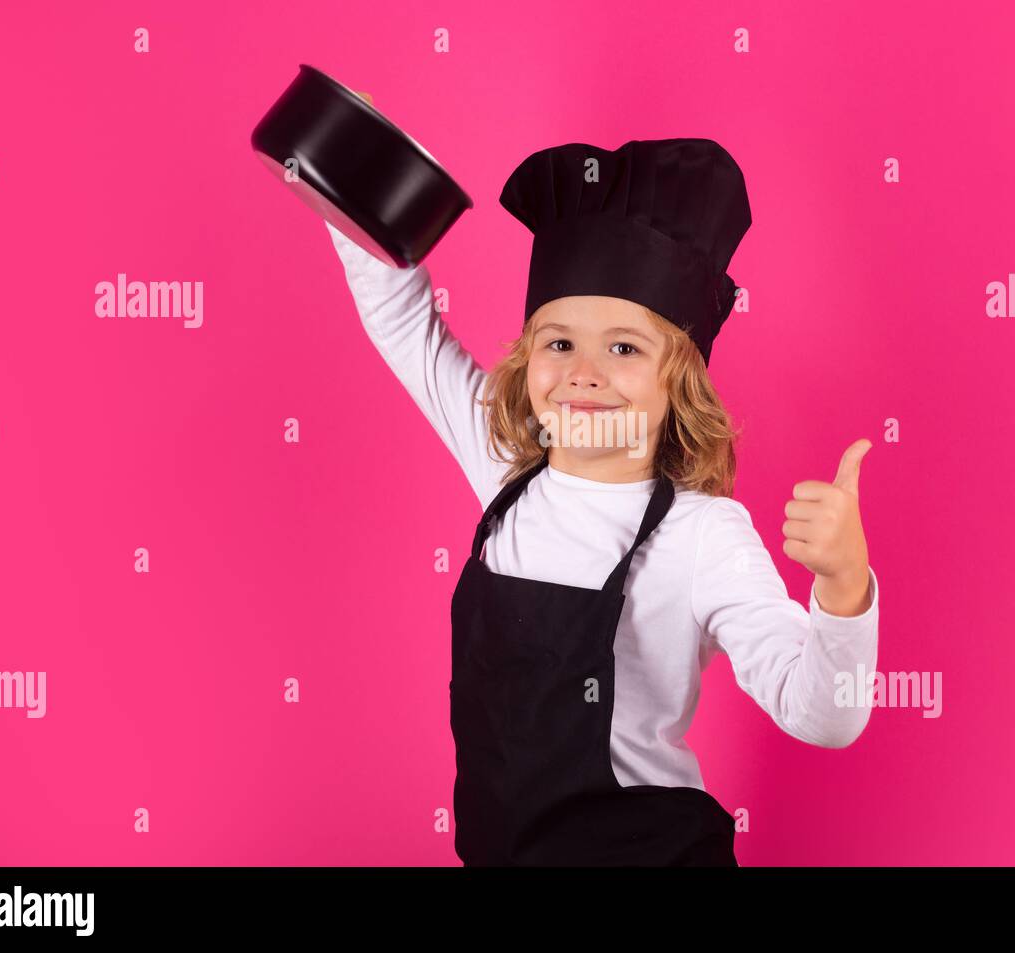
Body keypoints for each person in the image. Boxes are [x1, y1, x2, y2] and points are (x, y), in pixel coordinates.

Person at [327, 137, 879, 866]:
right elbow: (403, 320)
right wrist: (346, 162)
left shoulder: (703, 535)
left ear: (677, 384)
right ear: (527, 362)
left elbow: (822, 716)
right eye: (558, 344)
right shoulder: (505, 475)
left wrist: (843, 586)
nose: (583, 374)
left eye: (624, 349)